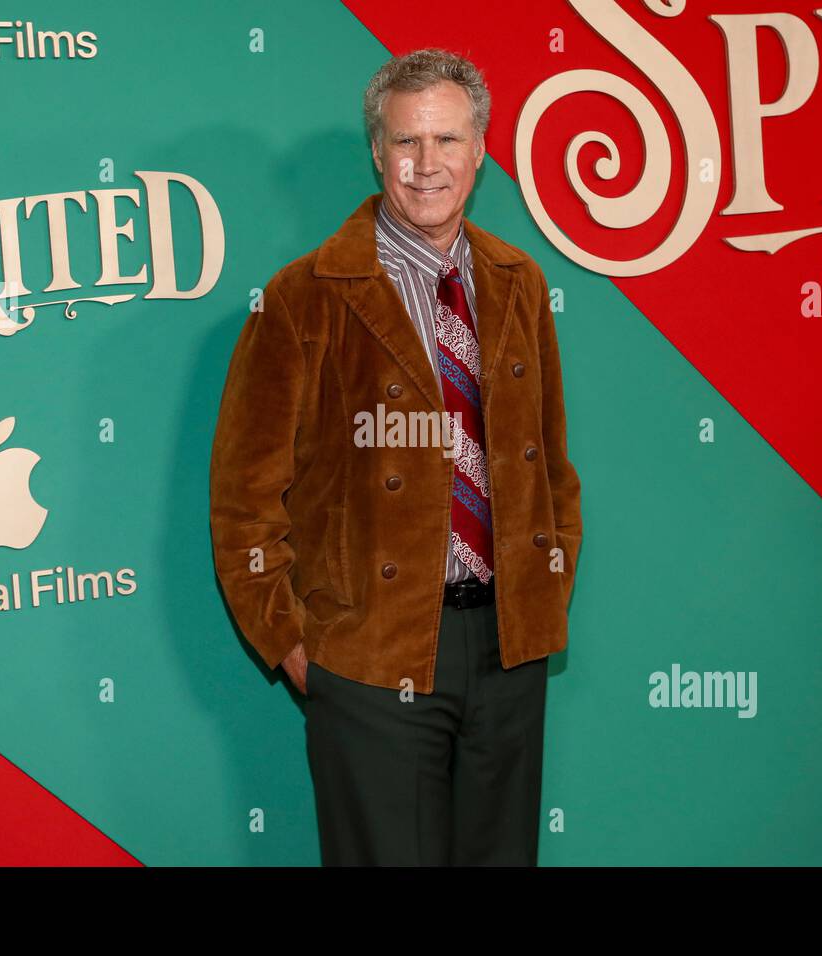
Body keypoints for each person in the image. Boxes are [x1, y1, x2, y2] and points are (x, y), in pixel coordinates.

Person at [208, 47, 582, 865]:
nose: (426, 166)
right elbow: (244, 500)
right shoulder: (303, 298)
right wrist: (297, 646)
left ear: (480, 150)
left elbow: (547, 464)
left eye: (447, 141)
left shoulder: (519, 281)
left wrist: (547, 580)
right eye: (407, 143)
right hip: (371, 657)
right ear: (377, 151)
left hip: (509, 648)